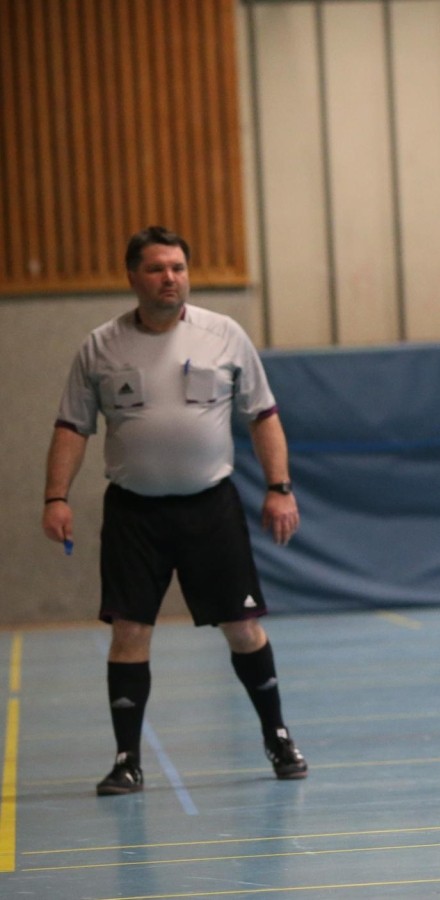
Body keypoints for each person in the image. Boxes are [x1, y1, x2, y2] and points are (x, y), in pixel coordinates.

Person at [41, 226, 308, 795]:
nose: (171, 278)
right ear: (133, 277)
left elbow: (263, 415)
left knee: (242, 628)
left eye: (179, 267)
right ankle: (127, 759)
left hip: (210, 509)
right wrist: (56, 497)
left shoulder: (225, 335)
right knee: (130, 632)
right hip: (135, 514)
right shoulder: (99, 346)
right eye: (159, 268)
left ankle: (278, 736)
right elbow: (72, 427)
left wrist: (279, 486)